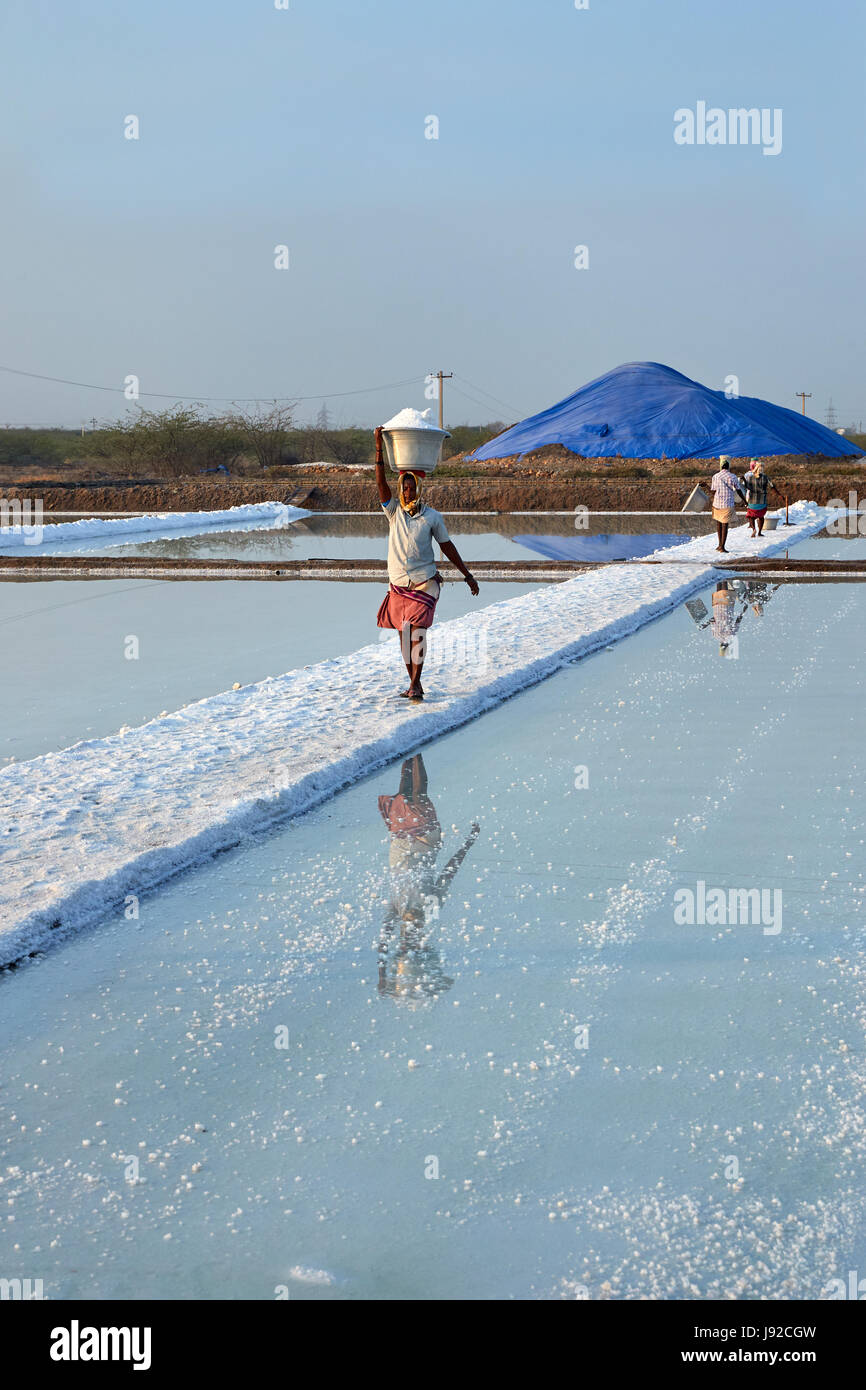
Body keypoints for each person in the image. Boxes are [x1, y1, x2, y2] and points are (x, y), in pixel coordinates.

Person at [374, 424, 478, 700]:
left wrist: (467, 576)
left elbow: (447, 546)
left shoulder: (432, 516)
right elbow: (380, 484)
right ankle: (412, 681)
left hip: (424, 583)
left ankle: (417, 683)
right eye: (404, 488)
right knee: (403, 634)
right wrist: (378, 449)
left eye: (411, 488)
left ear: (418, 488)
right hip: (397, 583)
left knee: (417, 632)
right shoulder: (393, 511)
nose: (407, 492)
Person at [377, 754, 480, 1001]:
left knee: (404, 793)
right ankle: (418, 750)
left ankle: (409, 748)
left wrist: (383, 977)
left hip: (400, 836)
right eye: (417, 926)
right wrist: (468, 843)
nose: (413, 922)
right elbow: (449, 871)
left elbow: (383, 944)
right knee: (419, 795)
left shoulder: (396, 906)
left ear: (404, 929)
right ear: (422, 927)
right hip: (425, 839)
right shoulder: (431, 903)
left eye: (407, 928)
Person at [709, 456, 747, 553]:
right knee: (725, 525)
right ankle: (722, 547)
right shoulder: (733, 477)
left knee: (719, 524)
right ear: (728, 467)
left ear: (721, 467)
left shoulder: (715, 476)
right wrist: (745, 501)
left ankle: (719, 545)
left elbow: (713, 492)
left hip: (717, 503)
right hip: (728, 503)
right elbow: (738, 491)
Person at [742, 459, 780, 537]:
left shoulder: (750, 477)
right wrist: (779, 495)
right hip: (762, 502)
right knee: (761, 517)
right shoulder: (766, 477)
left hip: (752, 502)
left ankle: (753, 529)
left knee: (751, 517)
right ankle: (759, 532)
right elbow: (772, 487)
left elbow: (747, 487)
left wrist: (744, 480)